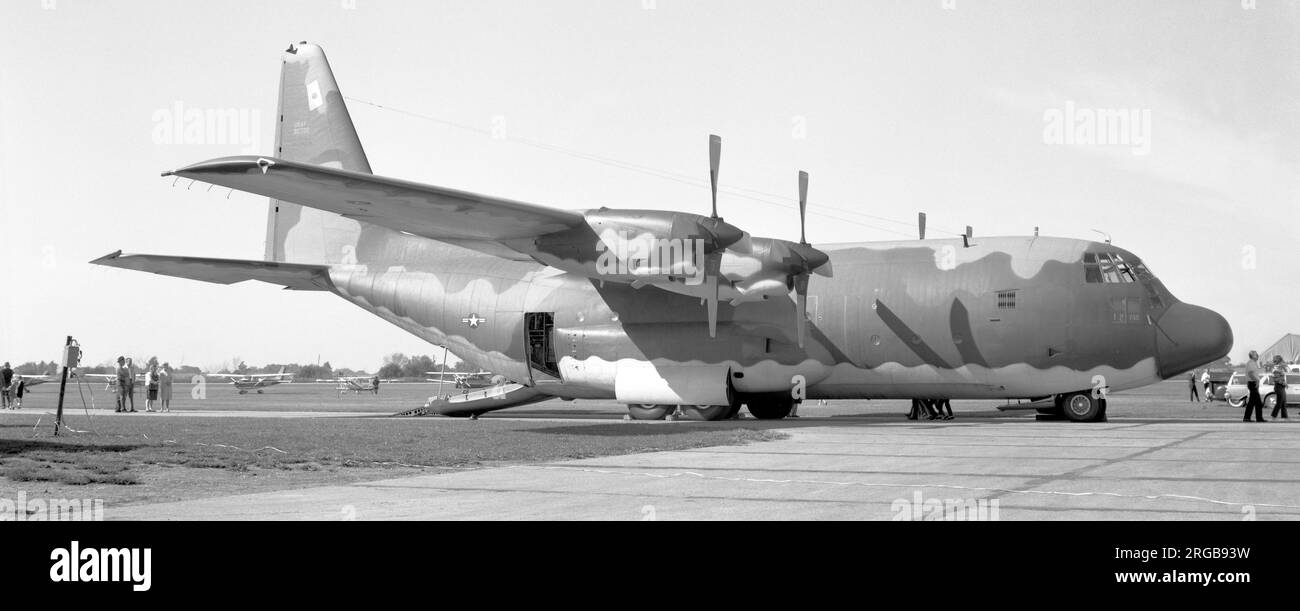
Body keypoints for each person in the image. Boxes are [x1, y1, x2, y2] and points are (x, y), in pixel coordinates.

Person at [1244, 350, 1266, 423]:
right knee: (1258, 402)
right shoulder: (1251, 363)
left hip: (1252, 383)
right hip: (1253, 383)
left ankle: (1247, 418)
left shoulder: (1253, 363)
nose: (1257, 355)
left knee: (1252, 402)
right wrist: (1257, 380)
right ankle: (1258, 418)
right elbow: (1250, 373)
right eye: (1256, 355)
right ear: (1252, 356)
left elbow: (1254, 372)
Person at [1271, 355, 1289, 420]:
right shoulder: (1276, 368)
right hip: (1278, 386)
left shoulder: (1280, 367)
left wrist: (1285, 383)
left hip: (1281, 386)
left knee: (1283, 402)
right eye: (1282, 362)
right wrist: (1285, 384)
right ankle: (1273, 416)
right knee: (1280, 402)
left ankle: (1285, 417)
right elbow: (1277, 379)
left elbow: (1283, 374)